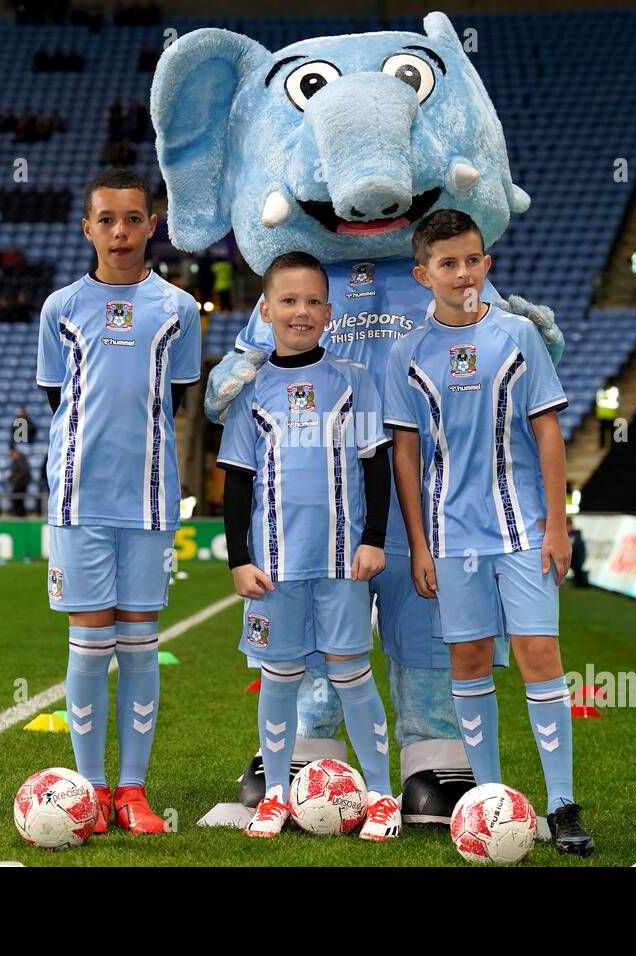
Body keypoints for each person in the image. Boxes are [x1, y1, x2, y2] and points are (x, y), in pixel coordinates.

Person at [385, 209, 592, 856]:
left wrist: (557, 526)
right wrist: (419, 544)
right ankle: (492, 800)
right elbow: (406, 455)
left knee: (539, 658)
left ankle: (562, 804)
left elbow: (548, 432)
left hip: (522, 531)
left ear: (488, 264)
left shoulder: (520, 337)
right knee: (469, 662)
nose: (463, 272)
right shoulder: (407, 353)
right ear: (424, 275)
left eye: (473, 259)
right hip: (450, 539)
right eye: (448, 263)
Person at [36, 168, 201, 835]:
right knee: (86, 648)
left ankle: (131, 791)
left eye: (133, 218)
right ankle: (90, 792)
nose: (121, 231)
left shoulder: (179, 309)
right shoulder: (60, 308)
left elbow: (178, 401)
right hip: (78, 500)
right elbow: (60, 400)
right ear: (88, 228)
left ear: (152, 225)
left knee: (137, 648)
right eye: (106, 219)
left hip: (149, 502)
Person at [217, 251, 397, 840]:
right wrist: (238, 559)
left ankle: (380, 794)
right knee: (279, 676)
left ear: (329, 310)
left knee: (352, 675)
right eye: (288, 301)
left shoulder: (354, 380)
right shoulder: (251, 391)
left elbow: (377, 466)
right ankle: (274, 791)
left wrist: (374, 541)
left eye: (314, 301)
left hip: (344, 563)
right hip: (273, 567)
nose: (301, 312)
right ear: (266, 310)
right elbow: (237, 481)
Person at [595, 377, 619, 448]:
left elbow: (616, 401)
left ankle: (613, 445)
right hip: (602, 415)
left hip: (611, 415)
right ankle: (602, 446)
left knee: (612, 432)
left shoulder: (614, 390)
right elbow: (598, 401)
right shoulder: (601, 391)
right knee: (602, 432)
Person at [7, 446, 31, 517]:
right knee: (17, 499)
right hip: (19, 483)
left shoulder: (21, 458)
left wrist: (15, 478)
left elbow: (23, 471)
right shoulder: (16, 458)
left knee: (19, 499)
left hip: (22, 483)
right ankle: (19, 514)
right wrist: (10, 478)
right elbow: (15, 471)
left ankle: (21, 514)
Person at [567, 515, 588, 588]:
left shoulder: (574, 535)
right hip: (575, 557)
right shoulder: (574, 534)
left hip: (577, 558)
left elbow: (572, 547)